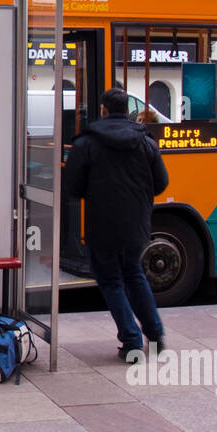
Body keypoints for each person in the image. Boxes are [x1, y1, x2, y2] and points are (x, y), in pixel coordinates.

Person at [63, 87, 169, 361]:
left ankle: (132, 341)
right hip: (136, 223)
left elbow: (73, 186)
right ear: (128, 109)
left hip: (102, 224)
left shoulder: (87, 142)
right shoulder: (146, 141)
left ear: (103, 110)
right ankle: (156, 337)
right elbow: (162, 183)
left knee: (111, 280)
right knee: (134, 274)